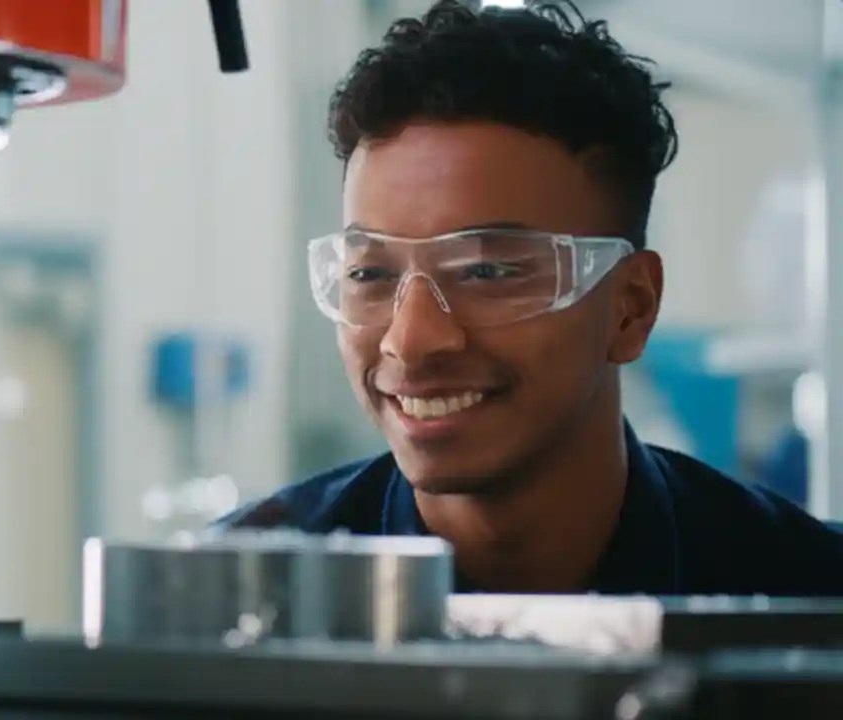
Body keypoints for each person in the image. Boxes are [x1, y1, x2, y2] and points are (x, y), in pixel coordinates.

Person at [221, 0, 843, 595]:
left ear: (630, 308)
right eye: (370, 275)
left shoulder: (804, 597)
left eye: (487, 271)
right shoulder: (243, 602)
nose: (409, 340)